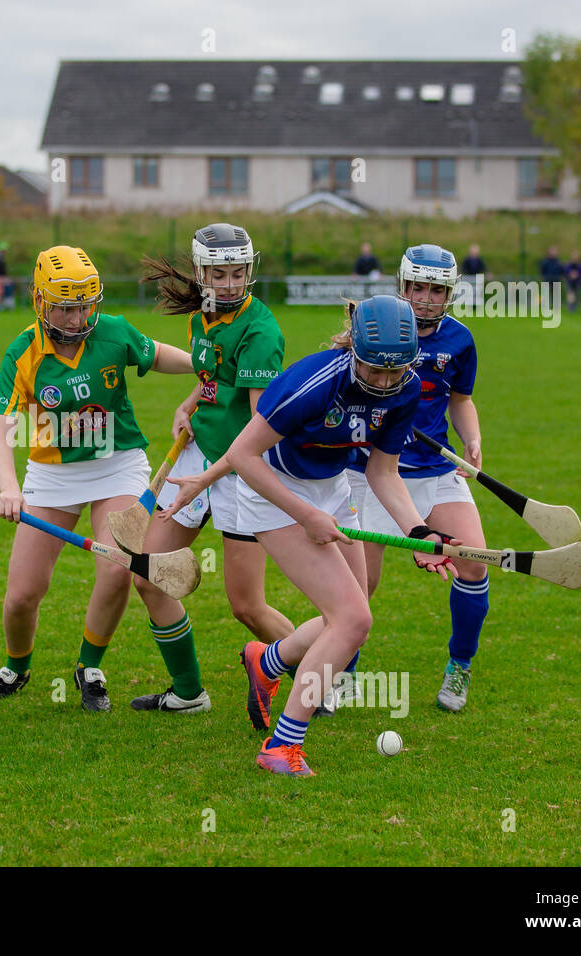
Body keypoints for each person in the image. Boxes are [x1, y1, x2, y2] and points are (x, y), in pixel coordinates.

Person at [165, 296, 455, 776]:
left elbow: (384, 472)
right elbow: (242, 456)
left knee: (350, 610)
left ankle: (269, 660)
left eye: (395, 372)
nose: (384, 383)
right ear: (354, 349)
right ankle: (281, 746)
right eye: (374, 370)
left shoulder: (404, 390)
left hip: (333, 490)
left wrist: (420, 531)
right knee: (353, 620)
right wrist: (305, 516)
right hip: (273, 495)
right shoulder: (315, 382)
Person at [0, 245, 194, 711]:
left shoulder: (114, 332)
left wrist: (205, 367)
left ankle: (89, 666)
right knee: (22, 593)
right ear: (41, 302)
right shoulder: (24, 353)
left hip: (118, 463)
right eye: (66, 307)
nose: (77, 318)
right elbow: (2, 431)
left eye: (84, 305)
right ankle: (17, 666)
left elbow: (156, 355)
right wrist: (9, 488)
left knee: (116, 567)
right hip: (52, 475)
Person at [128, 223, 294, 716]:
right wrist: (189, 403)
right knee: (149, 575)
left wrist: (214, 473)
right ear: (201, 273)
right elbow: (213, 379)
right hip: (199, 459)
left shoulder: (261, 331)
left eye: (238, 273)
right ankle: (188, 692)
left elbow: (263, 424)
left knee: (246, 606)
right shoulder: (202, 316)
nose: (229, 283)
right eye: (219, 274)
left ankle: (321, 674)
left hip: (243, 472)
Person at [346, 244, 490, 713]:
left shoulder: (459, 339)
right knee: (357, 586)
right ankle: (341, 672)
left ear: (449, 293)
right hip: (370, 472)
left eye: (436, 290)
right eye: (418, 287)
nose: (426, 298)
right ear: (402, 285)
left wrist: (471, 440)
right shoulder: (372, 329)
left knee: (473, 565)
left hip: (433, 468)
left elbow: (461, 398)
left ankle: (460, 666)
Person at [540, 245, 565, 313]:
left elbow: (562, 270)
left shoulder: (558, 261)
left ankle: (556, 308)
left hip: (556, 280)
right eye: (552, 251)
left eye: (555, 251)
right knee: (546, 294)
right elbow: (542, 270)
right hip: (547, 280)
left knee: (556, 295)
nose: (554, 253)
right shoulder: (546, 261)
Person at [0, 241, 15, 311]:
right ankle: (2, 306)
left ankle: (2, 306)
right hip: (0, 277)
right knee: (2, 291)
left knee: (1, 291)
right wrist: (4, 277)